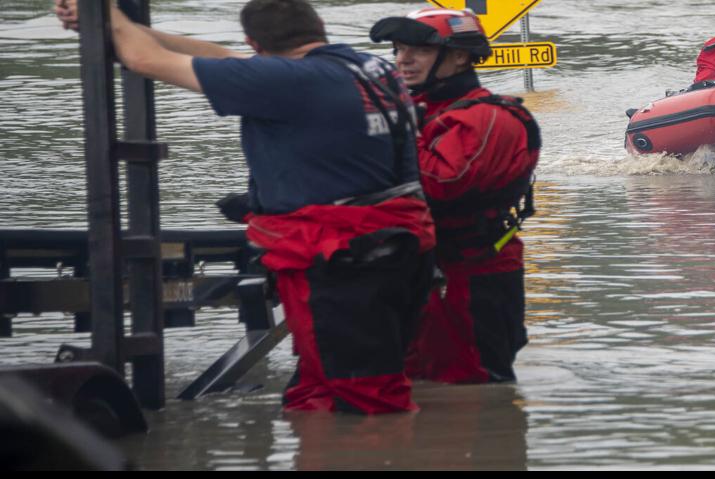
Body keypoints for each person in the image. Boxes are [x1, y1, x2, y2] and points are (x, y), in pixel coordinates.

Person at [68, 0, 437, 414]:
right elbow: (223, 58)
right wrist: (115, 27)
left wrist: (99, 9)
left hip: (341, 258)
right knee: (329, 389)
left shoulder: (289, 81)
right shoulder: (368, 68)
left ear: (255, 43)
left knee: (363, 397)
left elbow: (142, 60)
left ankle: (377, 455)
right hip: (394, 246)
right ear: (317, 27)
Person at [372, 7, 541, 384]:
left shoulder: (489, 117)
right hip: (421, 272)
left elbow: (444, 185)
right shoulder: (420, 111)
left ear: (460, 56)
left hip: (473, 277)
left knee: (474, 389)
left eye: (418, 50)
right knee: (417, 385)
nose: (403, 60)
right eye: (398, 50)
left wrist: (397, 132)